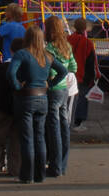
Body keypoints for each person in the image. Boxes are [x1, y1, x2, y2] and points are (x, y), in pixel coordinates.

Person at [8, 25, 67, 184]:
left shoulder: (22, 54)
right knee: (40, 136)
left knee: (27, 138)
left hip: (26, 98)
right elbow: (63, 71)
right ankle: (40, 174)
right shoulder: (47, 56)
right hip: (43, 98)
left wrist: (17, 86)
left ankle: (27, 175)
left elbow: (11, 72)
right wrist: (50, 83)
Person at [43, 16, 76, 177]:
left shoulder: (49, 48)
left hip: (53, 88)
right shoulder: (67, 46)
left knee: (53, 128)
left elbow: (49, 69)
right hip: (65, 90)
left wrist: (51, 79)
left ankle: (54, 166)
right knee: (64, 127)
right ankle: (62, 165)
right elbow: (73, 67)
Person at [0, 35, 24, 176]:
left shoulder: (4, 67)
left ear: (11, 50)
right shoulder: (26, 66)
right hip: (19, 105)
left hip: (4, 105)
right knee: (16, 139)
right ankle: (15, 167)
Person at [68, 17, 98, 130]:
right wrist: (91, 77)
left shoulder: (68, 39)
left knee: (69, 99)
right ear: (85, 28)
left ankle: (68, 121)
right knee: (82, 99)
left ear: (74, 27)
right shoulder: (88, 43)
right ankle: (78, 123)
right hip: (82, 75)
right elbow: (91, 63)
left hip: (69, 74)